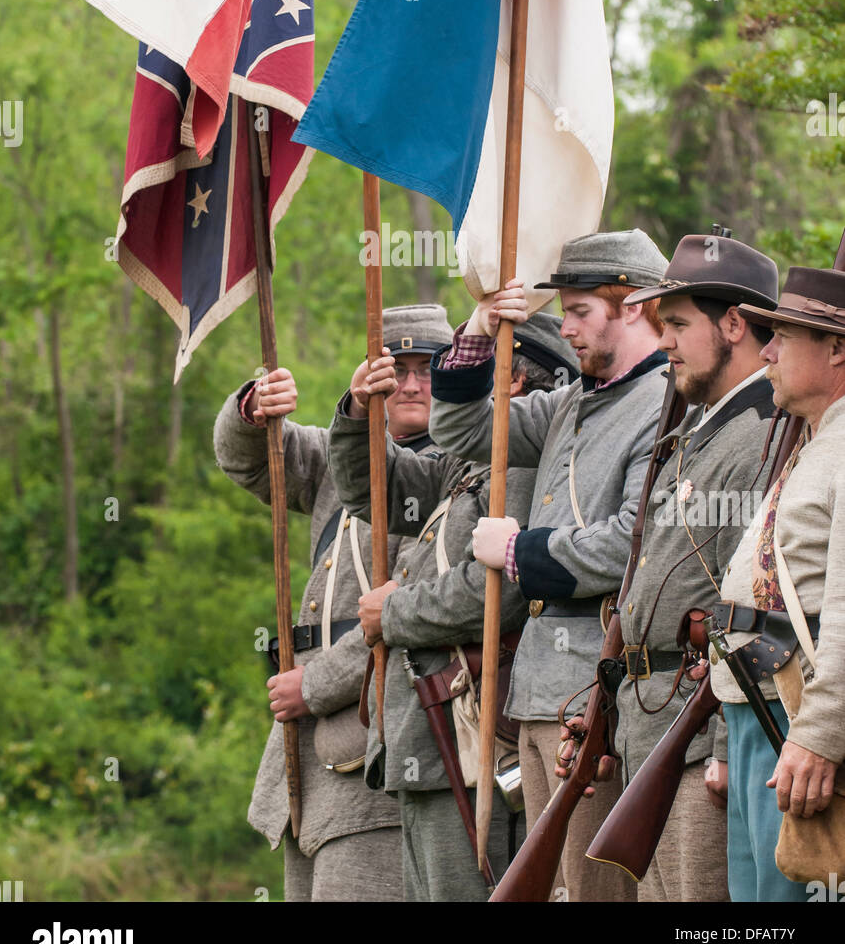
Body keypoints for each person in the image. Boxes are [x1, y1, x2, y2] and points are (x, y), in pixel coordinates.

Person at [431, 230, 669, 901]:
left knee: (594, 891)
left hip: (597, 689)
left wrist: (516, 551)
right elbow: (462, 431)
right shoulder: (572, 401)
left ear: (634, 306)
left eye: (578, 311)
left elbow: (630, 539)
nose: (563, 328)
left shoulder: (665, 403)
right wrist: (477, 333)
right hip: (539, 687)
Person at [328, 313, 578, 901]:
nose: (442, 392)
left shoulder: (518, 466)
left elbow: (499, 589)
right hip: (435, 732)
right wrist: (359, 412)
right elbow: (373, 490)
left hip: (473, 733)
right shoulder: (471, 463)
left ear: (513, 384)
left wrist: (395, 613)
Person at [213, 303, 453, 902]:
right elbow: (244, 456)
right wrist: (254, 406)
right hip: (308, 762)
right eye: (398, 367)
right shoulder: (333, 459)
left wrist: (314, 685)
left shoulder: (461, 472)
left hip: (380, 743)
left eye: (430, 367)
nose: (413, 383)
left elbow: (410, 607)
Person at [577, 234, 780, 902]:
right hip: (652, 731)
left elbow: (754, 609)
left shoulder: (757, 437)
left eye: (679, 324)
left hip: (697, 743)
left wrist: (725, 744)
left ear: (733, 324)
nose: (663, 341)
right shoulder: (701, 432)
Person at [708, 264, 845, 902]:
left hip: (798, 714)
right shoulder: (816, 442)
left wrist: (820, 734)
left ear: (837, 348)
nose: (765, 351)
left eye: (784, 337)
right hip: (757, 708)